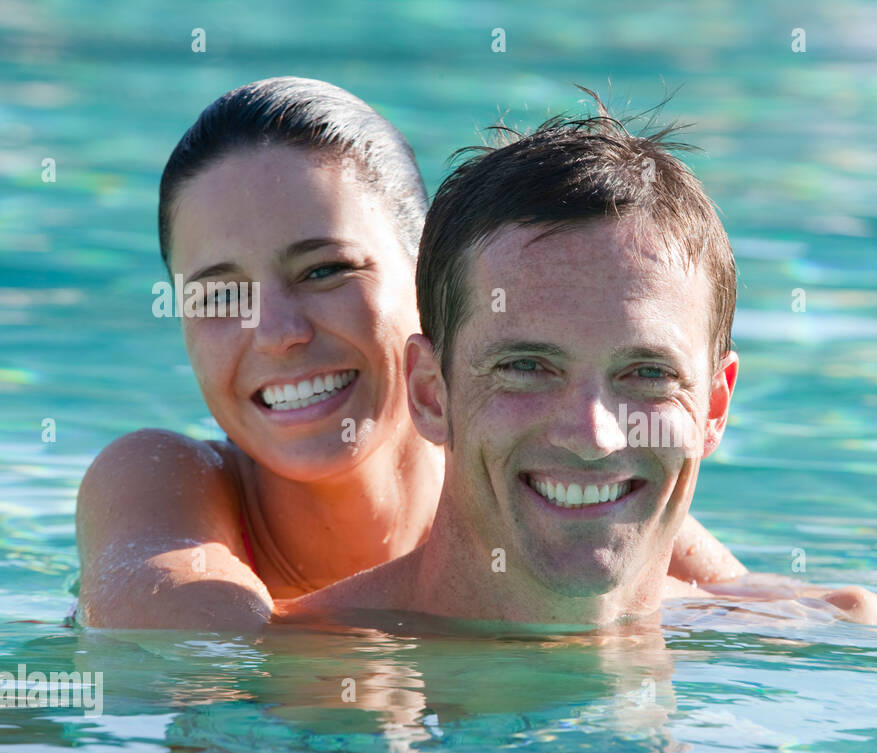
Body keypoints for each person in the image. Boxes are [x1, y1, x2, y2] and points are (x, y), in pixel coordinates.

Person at [74, 77, 746, 630]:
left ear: (432, 281)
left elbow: (742, 604)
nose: (276, 331)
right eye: (221, 297)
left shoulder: (541, 460)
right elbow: (188, 653)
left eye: (325, 271)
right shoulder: (163, 483)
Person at [283, 98, 877, 628]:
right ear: (429, 393)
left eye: (649, 373)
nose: (593, 437)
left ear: (714, 407)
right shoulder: (285, 674)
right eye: (525, 366)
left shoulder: (820, 641)